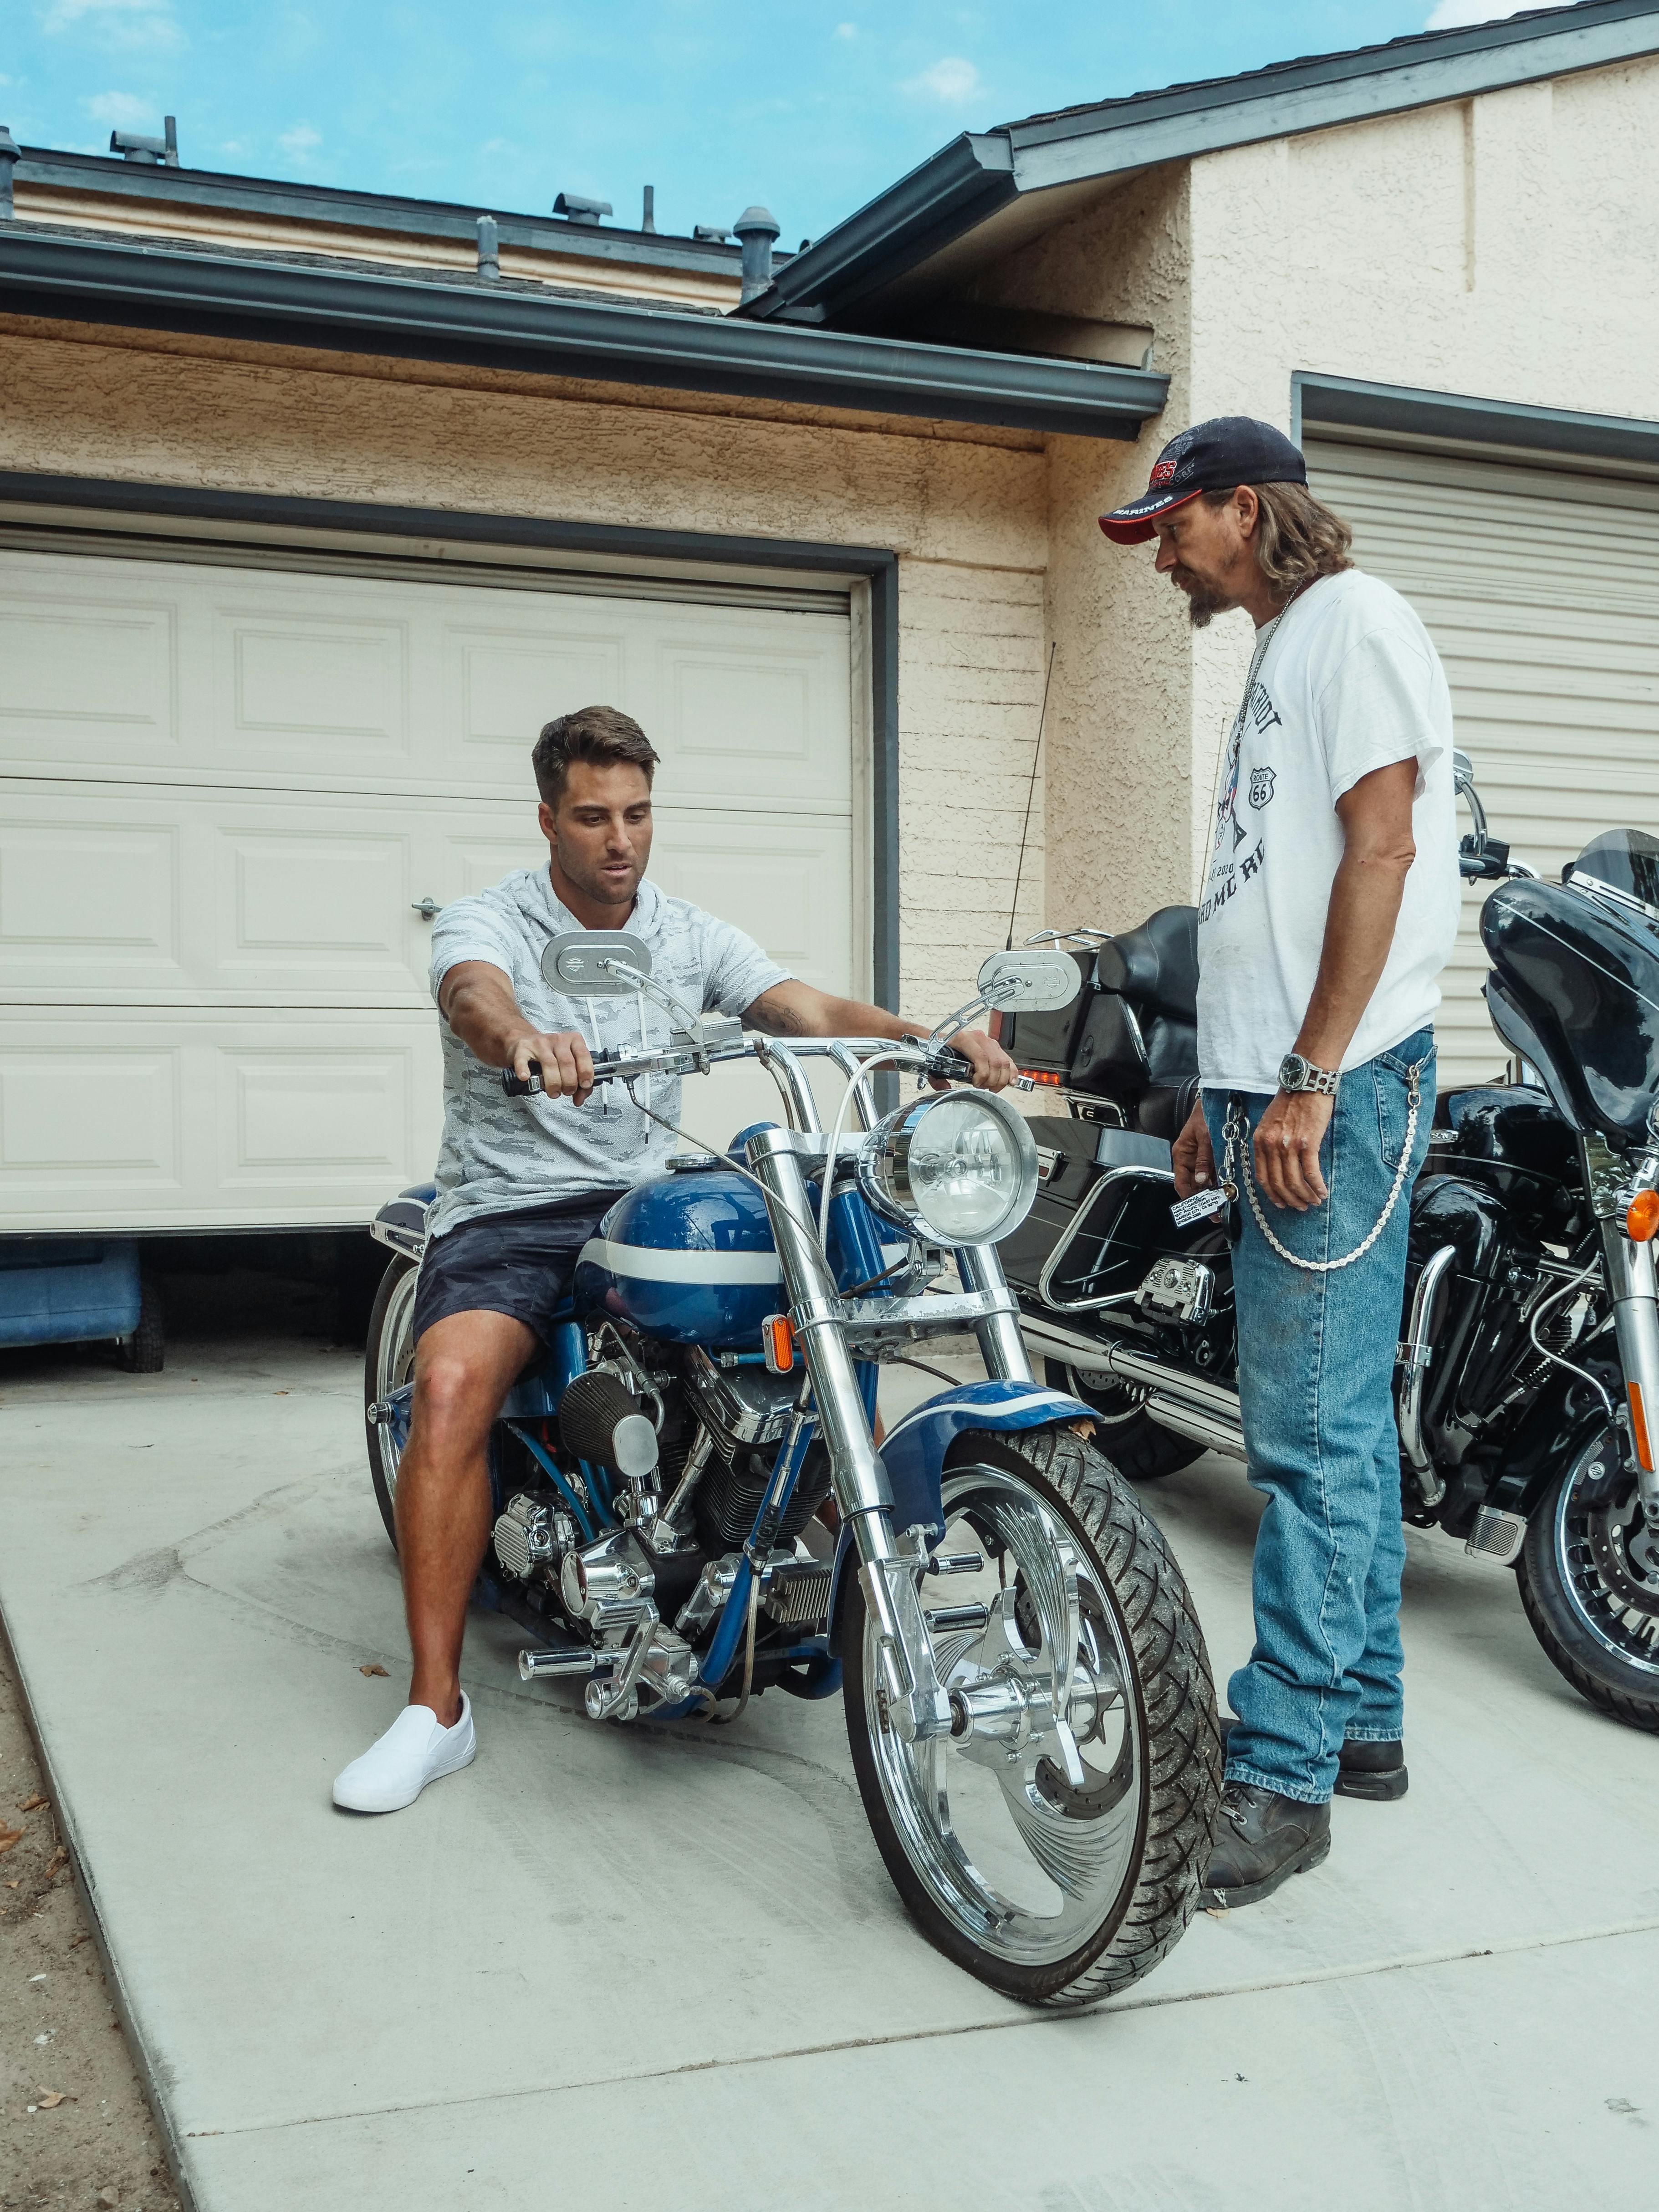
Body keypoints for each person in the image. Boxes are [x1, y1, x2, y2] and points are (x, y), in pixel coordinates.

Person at [333, 703, 1017, 1814]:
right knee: (452, 1386)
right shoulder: (488, 918)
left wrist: (918, 1039)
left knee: (800, 1345)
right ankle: (433, 1707)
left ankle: (792, 1567)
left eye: (638, 815)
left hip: (647, 1198)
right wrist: (521, 1041)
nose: (620, 841)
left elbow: (793, 1002)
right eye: (594, 816)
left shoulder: (687, 933)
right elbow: (471, 993)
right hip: (512, 1209)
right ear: (548, 817)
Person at [1099, 419, 1460, 1907]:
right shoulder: (1281, 642)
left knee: (1303, 1440)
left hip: (1340, 1083)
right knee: (1341, 1422)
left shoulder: (1353, 622)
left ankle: (1284, 1771)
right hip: (1272, 1086)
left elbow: (1379, 849)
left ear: (1246, 507)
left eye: (1174, 524)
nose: (1162, 552)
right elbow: (1266, 884)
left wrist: (1306, 1076)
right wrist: (1215, 1086)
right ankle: (1360, 1718)